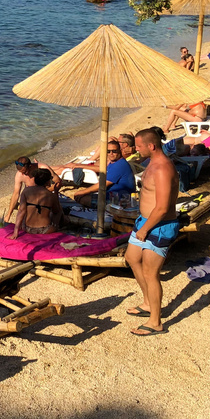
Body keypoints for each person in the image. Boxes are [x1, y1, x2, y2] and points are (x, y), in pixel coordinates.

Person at [125, 129, 180, 335]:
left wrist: (146, 229)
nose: (135, 149)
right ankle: (148, 303)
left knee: (151, 273)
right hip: (144, 222)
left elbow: (163, 207)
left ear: (151, 146)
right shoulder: (151, 164)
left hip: (159, 226)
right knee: (132, 258)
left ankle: (155, 322)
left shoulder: (163, 169)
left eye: (138, 146)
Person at [71, 140, 137, 207]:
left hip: (120, 200)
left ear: (119, 151)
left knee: (82, 198)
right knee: (84, 195)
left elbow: (103, 184)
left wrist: (83, 192)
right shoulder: (114, 163)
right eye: (108, 151)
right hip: (114, 195)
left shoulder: (120, 165)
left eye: (114, 151)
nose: (111, 153)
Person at [10, 169, 63, 238]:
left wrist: (15, 232)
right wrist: (56, 193)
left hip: (27, 228)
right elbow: (56, 211)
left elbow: (21, 211)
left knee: (25, 210)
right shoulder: (51, 195)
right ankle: (57, 227)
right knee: (59, 212)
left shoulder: (26, 191)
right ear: (47, 182)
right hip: (45, 229)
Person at [6, 157, 61, 221]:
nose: (23, 174)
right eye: (21, 172)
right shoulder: (19, 175)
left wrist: (48, 191)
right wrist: (8, 215)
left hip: (44, 198)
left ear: (30, 166)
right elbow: (16, 193)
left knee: (56, 214)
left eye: (25, 172)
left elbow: (58, 182)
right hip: (31, 199)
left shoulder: (43, 168)